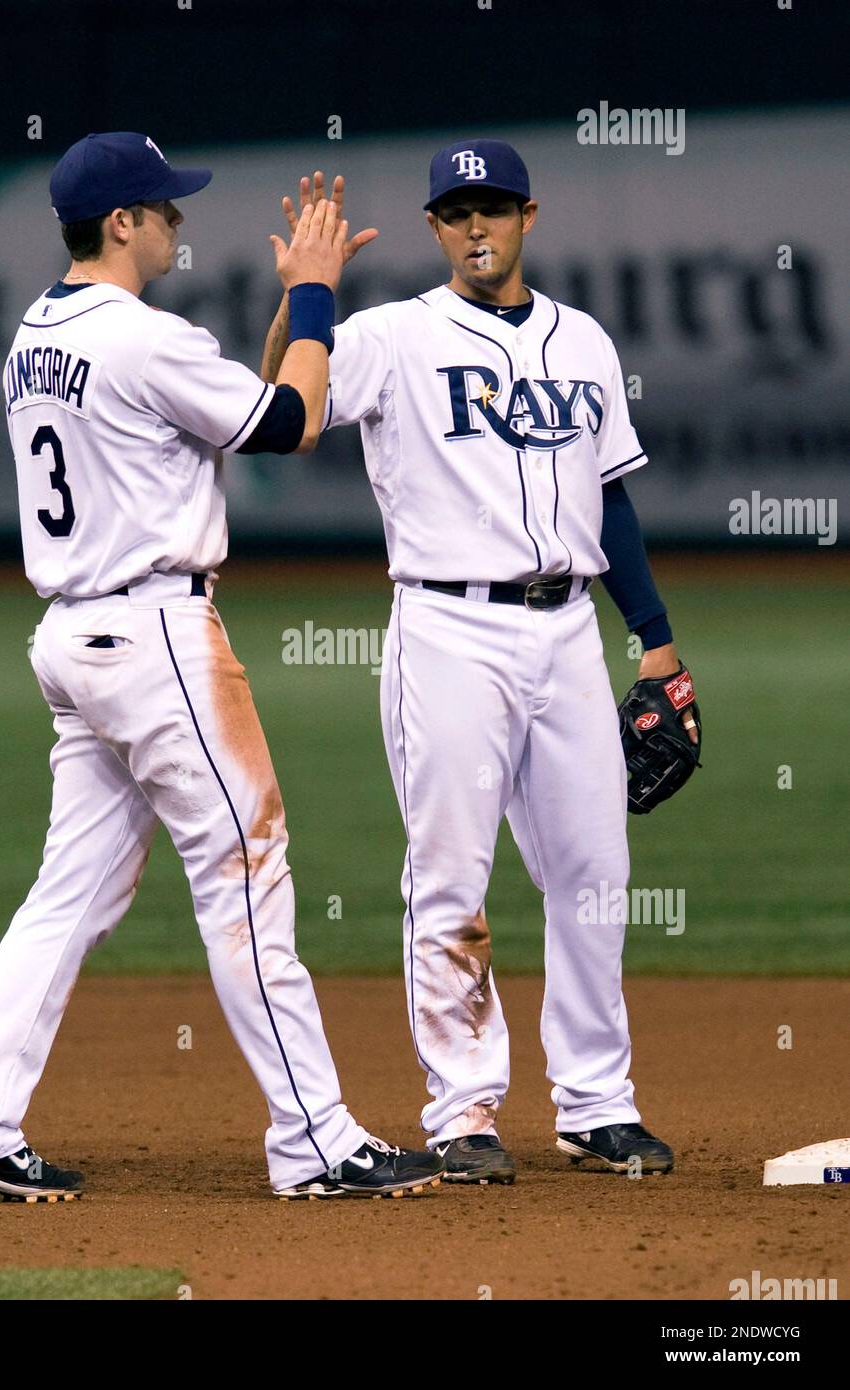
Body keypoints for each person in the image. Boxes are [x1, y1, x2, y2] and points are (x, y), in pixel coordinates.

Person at [0, 131, 443, 1203]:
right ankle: (314, 1141)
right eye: (163, 208)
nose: (178, 221)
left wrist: (296, 307)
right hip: (156, 639)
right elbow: (291, 423)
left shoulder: (35, 331)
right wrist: (310, 292)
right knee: (246, 875)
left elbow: (244, 407)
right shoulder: (138, 336)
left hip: (72, 638)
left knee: (66, 895)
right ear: (120, 223)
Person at [262, 143, 700, 1183]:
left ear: (526, 217)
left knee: (594, 873)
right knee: (450, 874)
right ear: (431, 227)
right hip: (446, 631)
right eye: (455, 211)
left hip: (567, 634)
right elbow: (293, 403)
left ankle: (596, 1105)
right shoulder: (392, 335)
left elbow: (610, 497)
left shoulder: (582, 340)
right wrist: (304, 296)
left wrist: (655, 636)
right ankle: (461, 1110)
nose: (474, 228)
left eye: (491, 209)